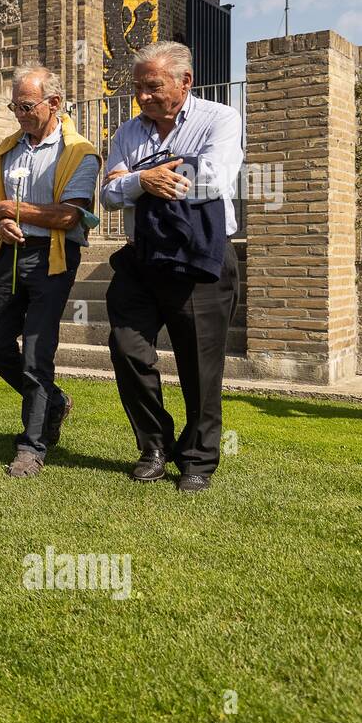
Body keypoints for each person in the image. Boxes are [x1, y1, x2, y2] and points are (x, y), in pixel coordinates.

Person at [100, 40, 243, 493]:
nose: (142, 96)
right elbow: (108, 193)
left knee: (200, 366)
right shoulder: (126, 132)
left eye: (152, 86)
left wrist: (137, 179)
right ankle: (155, 446)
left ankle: (198, 459)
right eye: (138, 87)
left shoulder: (220, 119)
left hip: (201, 259)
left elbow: (210, 181)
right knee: (127, 348)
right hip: (141, 258)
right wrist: (145, 178)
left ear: (185, 82)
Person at [0, 65, 101, 478]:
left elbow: (71, 216)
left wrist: (10, 210)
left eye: (26, 105)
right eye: (14, 105)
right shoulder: (9, 148)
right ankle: (54, 401)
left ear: (54, 103)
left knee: (36, 352)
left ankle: (31, 446)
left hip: (52, 257)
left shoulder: (80, 153)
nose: (19, 113)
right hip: (9, 253)